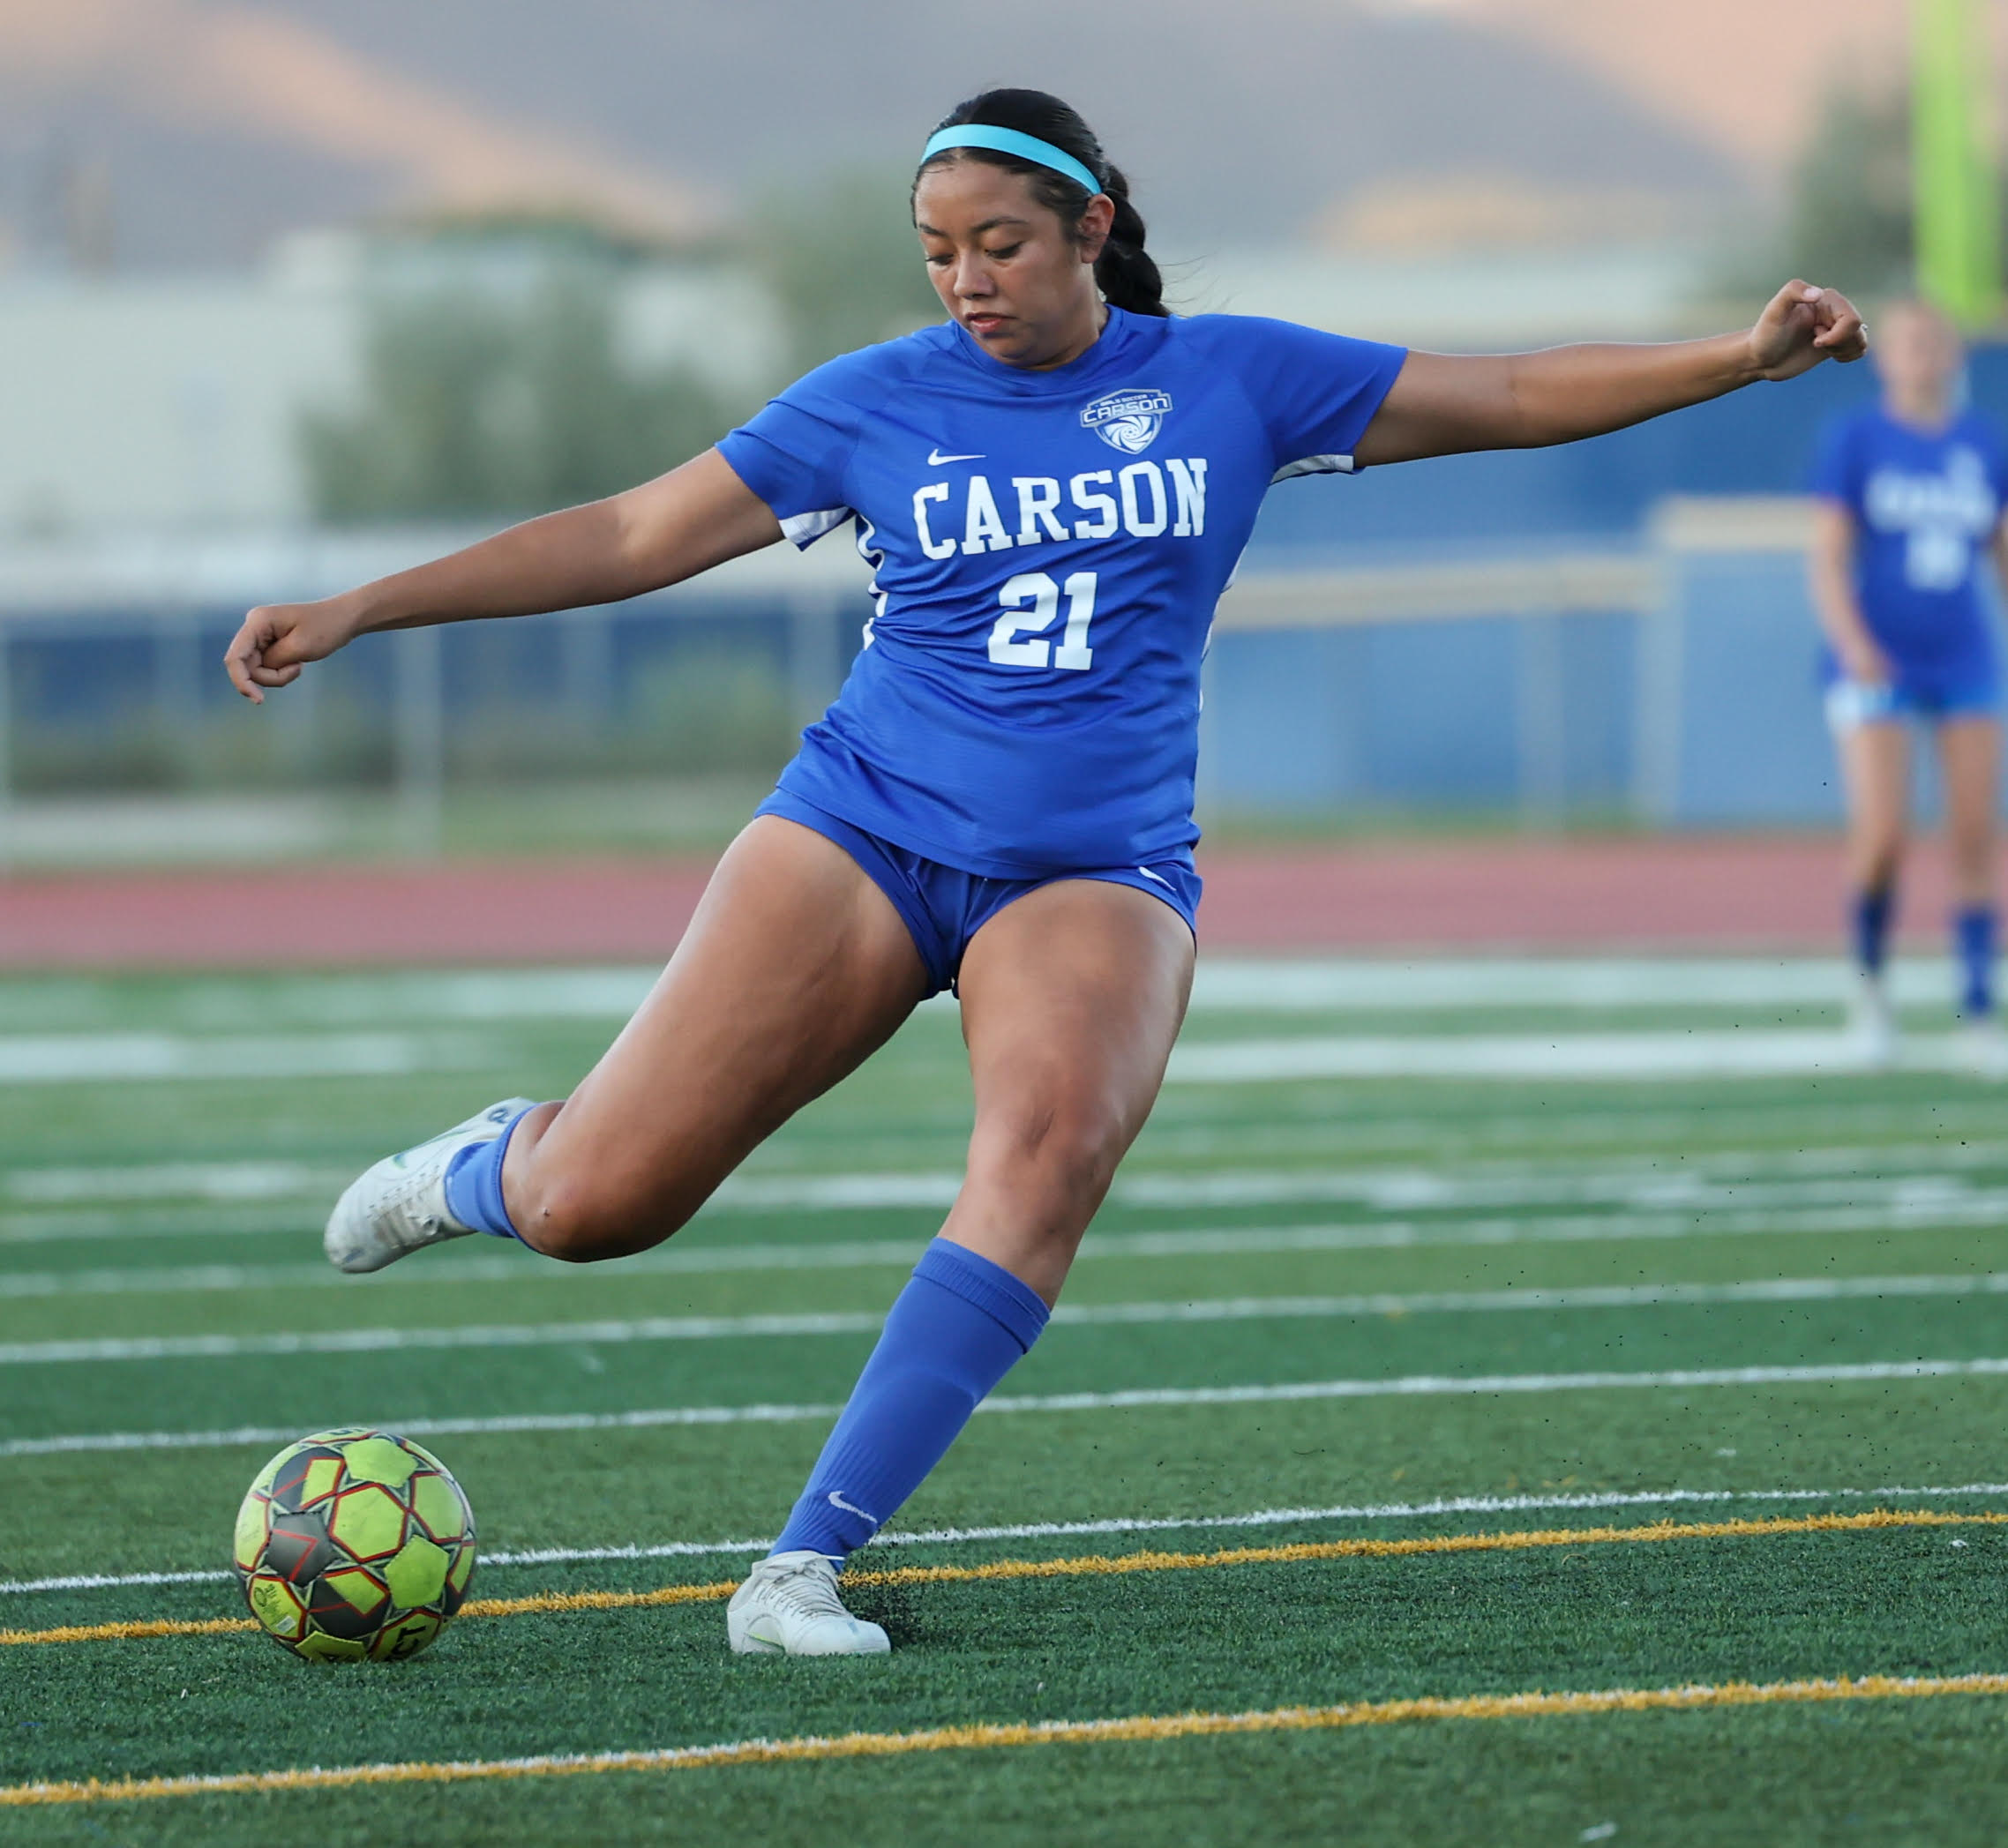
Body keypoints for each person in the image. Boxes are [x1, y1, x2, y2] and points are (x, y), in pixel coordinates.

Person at [224, 88, 1866, 1656]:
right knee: (600, 1207)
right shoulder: (875, 397)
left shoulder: (1234, 377)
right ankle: (491, 1165)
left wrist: (1740, 358)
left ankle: (801, 1565)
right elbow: (633, 535)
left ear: (1091, 227)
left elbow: (1506, 393)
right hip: (862, 828)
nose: (965, 279)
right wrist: (368, 604)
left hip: (1094, 864)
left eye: (998, 243)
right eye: (938, 250)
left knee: (1049, 1151)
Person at [1808, 299, 2008, 1071]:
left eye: (1934, 342)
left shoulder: (1983, 444)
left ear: (1955, 355)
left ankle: (1978, 1008)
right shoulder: (1856, 439)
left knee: (1975, 834)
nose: (1922, 356)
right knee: (1884, 834)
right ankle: (1869, 989)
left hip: (1964, 659)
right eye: (1907, 343)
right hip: (1878, 659)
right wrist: (1854, 643)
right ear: (1884, 357)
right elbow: (1828, 557)